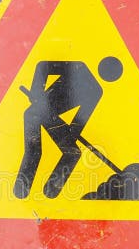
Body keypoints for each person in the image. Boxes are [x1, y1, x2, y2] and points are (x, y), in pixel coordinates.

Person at [14, 56, 123, 199]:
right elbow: (43, 66)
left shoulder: (95, 91)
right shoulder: (79, 68)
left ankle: (47, 193)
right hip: (36, 113)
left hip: (47, 116)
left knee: (68, 152)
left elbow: (80, 120)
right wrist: (37, 91)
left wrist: (72, 134)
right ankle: (26, 191)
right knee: (40, 149)